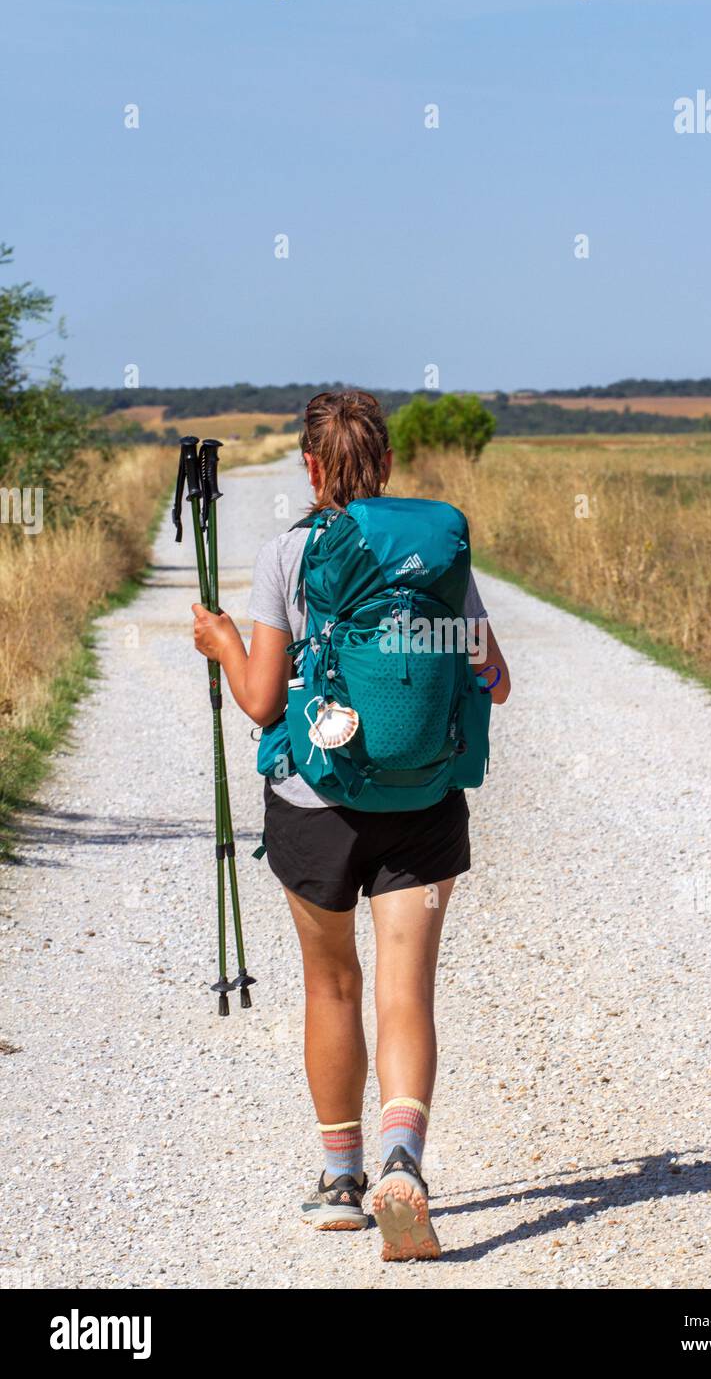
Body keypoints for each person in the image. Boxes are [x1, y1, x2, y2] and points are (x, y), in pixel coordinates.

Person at [191, 389, 510, 1261]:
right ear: (388, 465)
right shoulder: (435, 555)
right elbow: (496, 679)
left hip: (314, 808)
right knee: (407, 986)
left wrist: (221, 641)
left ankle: (340, 1181)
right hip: (423, 804)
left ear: (311, 465)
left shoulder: (287, 553)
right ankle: (403, 1160)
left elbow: (262, 704)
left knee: (333, 987)